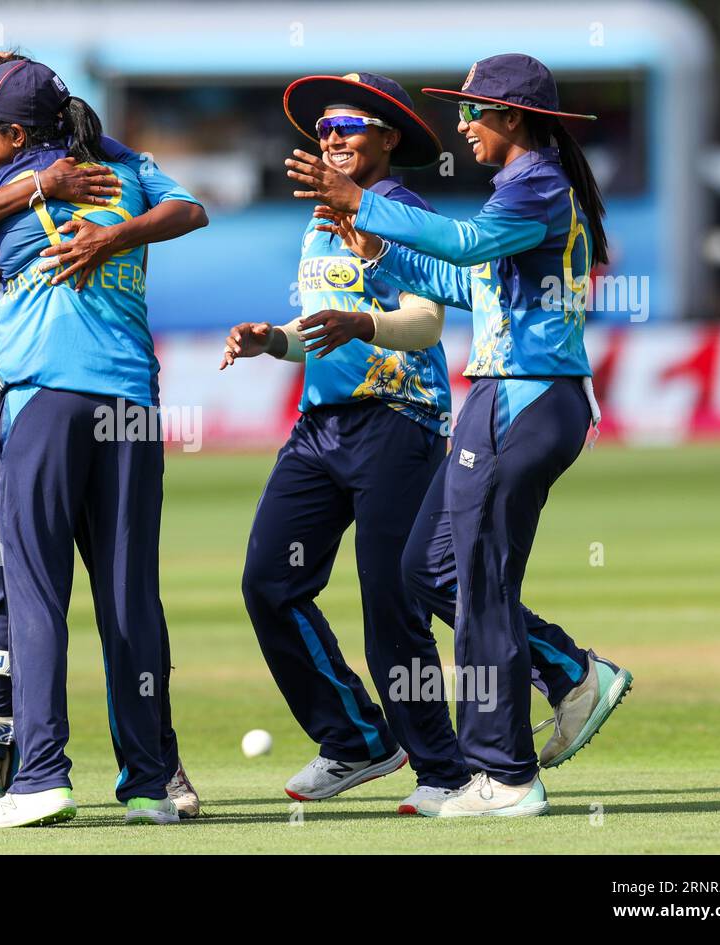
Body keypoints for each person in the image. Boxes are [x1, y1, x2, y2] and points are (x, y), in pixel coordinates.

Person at [286, 53, 633, 817]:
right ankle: (572, 676)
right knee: (429, 569)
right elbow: (466, 282)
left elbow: (470, 249)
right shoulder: (519, 187)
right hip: (502, 395)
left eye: (474, 112)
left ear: (511, 118)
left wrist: (363, 204)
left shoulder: (537, 182)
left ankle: (506, 776)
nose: (462, 126)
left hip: (525, 397)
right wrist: (376, 250)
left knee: (478, 582)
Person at [0, 58, 207, 828]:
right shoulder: (119, 174)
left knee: (33, 590)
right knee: (129, 593)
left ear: (17, 132)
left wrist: (44, 197)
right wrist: (117, 230)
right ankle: (151, 782)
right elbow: (191, 209)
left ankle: (43, 774)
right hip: (131, 402)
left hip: (44, 399)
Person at [222, 72, 469, 813]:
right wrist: (275, 340)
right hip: (321, 424)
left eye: (349, 126)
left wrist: (365, 325)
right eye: (324, 129)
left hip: (400, 416)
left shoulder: (403, 209)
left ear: (387, 139)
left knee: (391, 603)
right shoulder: (318, 219)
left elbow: (426, 322)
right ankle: (357, 736)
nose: (330, 138)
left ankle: (443, 770)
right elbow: (325, 325)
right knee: (269, 582)